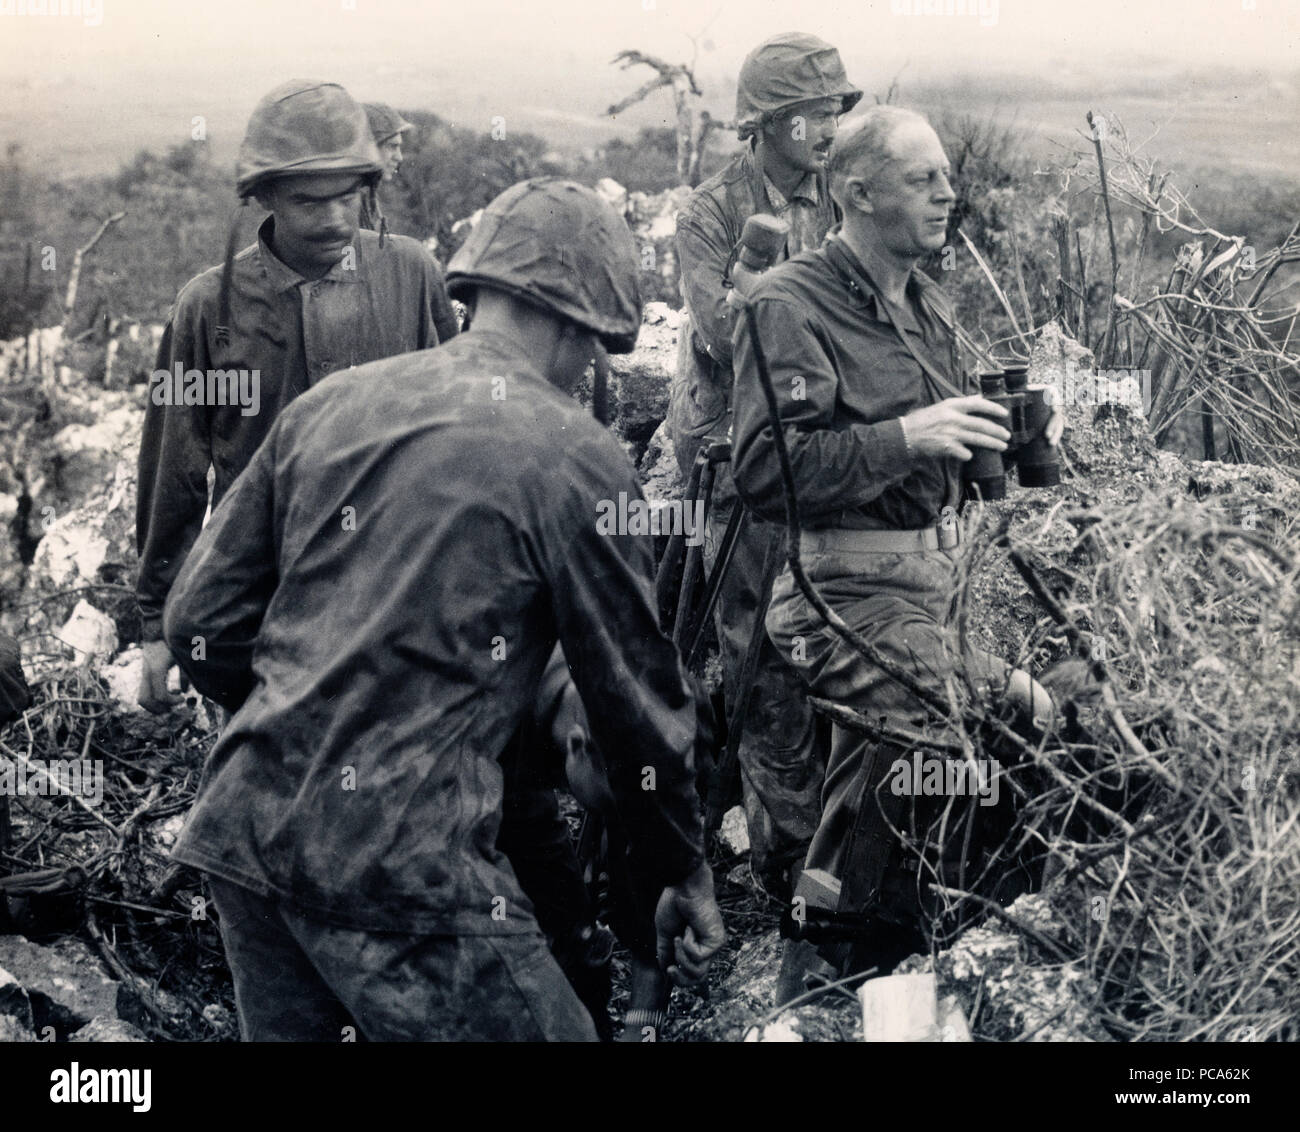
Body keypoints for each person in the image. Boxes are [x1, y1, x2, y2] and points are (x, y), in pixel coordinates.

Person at [163, 178, 726, 1041]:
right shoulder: (575, 456)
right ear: (580, 325)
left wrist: (307, 714)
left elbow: (198, 623)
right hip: (402, 859)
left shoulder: (329, 408)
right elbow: (635, 711)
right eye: (595, 348)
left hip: (244, 835)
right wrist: (682, 869)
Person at [730, 106, 1061, 987]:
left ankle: (848, 965)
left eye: (949, 176)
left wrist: (1009, 436)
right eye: (924, 179)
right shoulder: (788, 304)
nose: (949, 193)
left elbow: (944, 449)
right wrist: (906, 437)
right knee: (999, 713)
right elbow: (766, 473)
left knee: (889, 772)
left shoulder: (926, 304)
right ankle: (857, 959)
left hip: (928, 578)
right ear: (857, 191)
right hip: (835, 583)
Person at [136, 80, 459, 714]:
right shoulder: (207, 306)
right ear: (264, 198)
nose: (337, 219)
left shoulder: (411, 272)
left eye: (349, 196)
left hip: (393, 580)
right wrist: (157, 624)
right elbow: (173, 467)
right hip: (262, 596)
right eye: (310, 202)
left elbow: (454, 423)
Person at [667, 32, 861, 900]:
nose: (827, 128)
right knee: (759, 650)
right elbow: (722, 332)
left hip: (820, 438)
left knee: (837, 625)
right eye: (812, 114)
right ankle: (787, 862)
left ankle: (842, 840)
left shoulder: (839, 198)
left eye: (833, 111)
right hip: (737, 447)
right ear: (769, 124)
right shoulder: (713, 213)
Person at [359, 102, 415, 231]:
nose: (399, 157)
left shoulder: (367, 196)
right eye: (392, 146)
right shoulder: (349, 203)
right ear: (369, 147)